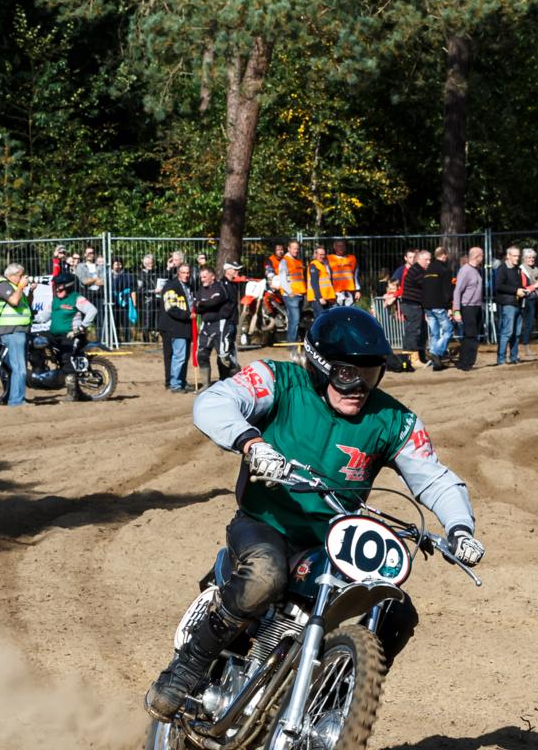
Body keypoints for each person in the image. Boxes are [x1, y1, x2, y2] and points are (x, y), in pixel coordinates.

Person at [144, 306, 486, 721]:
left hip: (334, 540)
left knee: (395, 610)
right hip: (265, 523)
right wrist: (252, 444)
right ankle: (187, 669)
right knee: (266, 576)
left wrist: (460, 529)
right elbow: (215, 402)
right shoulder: (278, 380)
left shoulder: (395, 419)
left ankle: (332, 711)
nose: (359, 385)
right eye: (346, 373)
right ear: (321, 368)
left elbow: (433, 477)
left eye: (371, 374)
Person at [0, 263, 35, 407]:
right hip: (12, 331)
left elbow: (25, 305)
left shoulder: (15, 288)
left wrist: (30, 292)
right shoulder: (4, 286)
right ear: (12, 275)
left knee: (17, 368)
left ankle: (16, 398)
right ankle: (17, 400)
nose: (23, 278)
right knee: (19, 369)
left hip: (19, 331)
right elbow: (14, 301)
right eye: (20, 275)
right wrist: (21, 287)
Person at [194, 264, 240, 382]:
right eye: (201, 277)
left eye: (204, 277)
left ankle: (234, 375)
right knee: (201, 355)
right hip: (205, 325)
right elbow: (197, 307)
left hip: (220, 325)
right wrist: (204, 304)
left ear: (212, 277)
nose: (202, 279)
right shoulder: (200, 290)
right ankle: (205, 384)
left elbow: (216, 301)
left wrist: (203, 304)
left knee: (224, 356)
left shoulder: (220, 287)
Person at [160, 262, 195, 392]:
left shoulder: (188, 286)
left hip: (185, 327)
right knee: (178, 356)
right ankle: (175, 384)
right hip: (174, 327)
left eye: (188, 273)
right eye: (183, 273)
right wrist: (188, 315)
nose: (186, 275)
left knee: (184, 356)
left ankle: (181, 381)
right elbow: (171, 308)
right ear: (178, 273)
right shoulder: (171, 286)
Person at [422, 247, 457, 370]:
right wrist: (449, 307)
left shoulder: (427, 270)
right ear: (444, 255)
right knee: (448, 330)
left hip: (427, 306)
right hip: (438, 305)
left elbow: (424, 289)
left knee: (434, 333)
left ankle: (436, 363)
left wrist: (424, 306)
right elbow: (447, 291)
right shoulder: (445, 270)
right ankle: (435, 352)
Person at [454, 246, 484, 371]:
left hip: (477, 306)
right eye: (482, 255)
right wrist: (456, 310)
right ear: (477, 256)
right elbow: (457, 291)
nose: (483, 258)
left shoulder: (477, 270)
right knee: (471, 335)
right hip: (468, 307)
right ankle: (468, 363)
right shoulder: (465, 270)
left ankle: (463, 361)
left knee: (470, 335)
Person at [494, 245, 525, 365]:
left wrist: (523, 291)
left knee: (516, 333)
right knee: (507, 332)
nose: (517, 258)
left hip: (517, 304)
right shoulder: (502, 269)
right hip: (507, 304)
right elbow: (499, 286)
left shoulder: (517, 269)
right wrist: (516, 291)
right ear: (508, 256)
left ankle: (513, 357)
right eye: (515, 255)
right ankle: (501, 359)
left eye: (518, 256)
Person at [399, 249, 429, 362]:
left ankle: (419, 356)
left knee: (419, 330)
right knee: (413, 331)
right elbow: (425, 284)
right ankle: (412, 358)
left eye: (430, 259)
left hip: (415, 305)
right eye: (426, 259)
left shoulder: (420, 270)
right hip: (411, 305)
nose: (429, 262)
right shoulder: (416, 270)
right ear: (420, 259)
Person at [519, 247, 538, 355]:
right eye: (529, 257)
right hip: (528, 299)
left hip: (537, 298)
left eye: (533, 257)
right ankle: (526, 347)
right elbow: (523, 286)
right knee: (529, 324)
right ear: (524, 259)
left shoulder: (536, 269)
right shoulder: (522, 270)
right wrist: (536, 285)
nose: (531, 259)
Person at [305, 245, 337, 317]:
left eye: (323, 254)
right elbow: (314, 283)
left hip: (325, 298)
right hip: (317, 299)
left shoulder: (323, 265)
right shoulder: (314, 265)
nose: (322, 256)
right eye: (320, 254)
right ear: (315, 255)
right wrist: (319, 297)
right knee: (320, 320)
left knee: (324, 319)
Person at [111, 257, 137, 343]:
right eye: (116, 264)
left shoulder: (128, 275)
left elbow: (132, 289)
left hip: (124, 301)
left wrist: (134, 302)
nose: (119, 266)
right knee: (115, 321)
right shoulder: (109, 275)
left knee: (125, 321)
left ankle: (127, 340)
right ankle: (115, 339)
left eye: (120, 264)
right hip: (112, 301)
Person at [327, 239, 360, 306]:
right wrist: (329, 292)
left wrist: (358, 291)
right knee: (337, 314)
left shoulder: (352, 258)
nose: (341, 248)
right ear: (334, 247)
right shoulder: (329, 259)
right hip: (336, 293)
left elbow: (356, 276)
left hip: (350, 293)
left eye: (342, 246)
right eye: (339, 246)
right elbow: (327, 278)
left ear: (345, 247)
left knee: (349, 314)